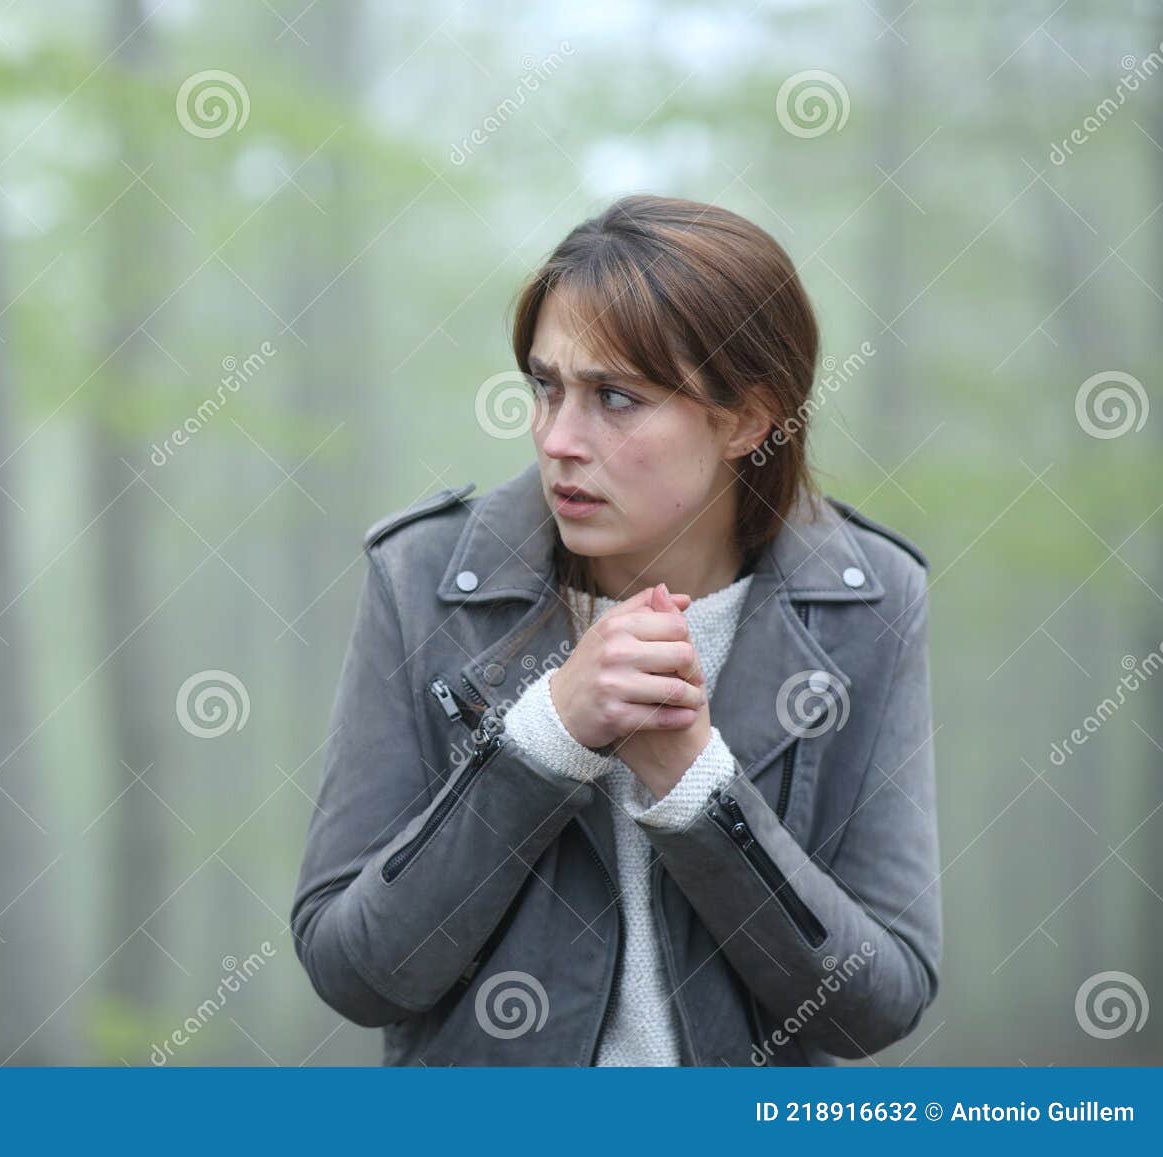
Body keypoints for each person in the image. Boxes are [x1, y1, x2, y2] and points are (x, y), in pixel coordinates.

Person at [289, 194, 940, 1066]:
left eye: (617, 398)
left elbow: (876, 1004)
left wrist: (697, 792)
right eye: (546, 387)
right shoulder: (424, 581)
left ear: (748, 417)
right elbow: (354, 969)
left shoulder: (868, 600)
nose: (558, 438)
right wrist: (542, 738)